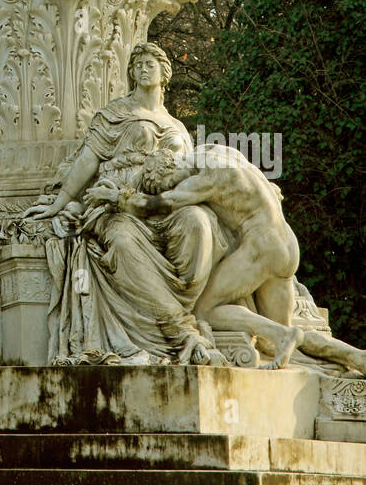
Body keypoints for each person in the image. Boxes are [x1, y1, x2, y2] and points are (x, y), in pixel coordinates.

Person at [24, 42, 230, 365]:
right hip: (116, 204)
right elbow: (88, 161)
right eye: (138, 64)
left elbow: (188, 175)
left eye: (151, 63)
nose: (144, 68)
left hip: (161, 206)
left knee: (199, 225)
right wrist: (60, 201)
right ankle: (180, 330)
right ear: (131, 73)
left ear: (165, 74)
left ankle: (185, 305)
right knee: (121, 242)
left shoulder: (178, 127)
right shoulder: (115, 114)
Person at [143, 144, 366, 374]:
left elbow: (164, 202)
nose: (175, 185)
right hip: (287, 245)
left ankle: (283, 335)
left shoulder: (205, 178)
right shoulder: (218, 151)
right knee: (275, 338)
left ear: (172, 167)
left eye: (170, 181)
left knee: (203, 310)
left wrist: (119, 199)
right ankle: (355, 356)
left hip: (262, 248)